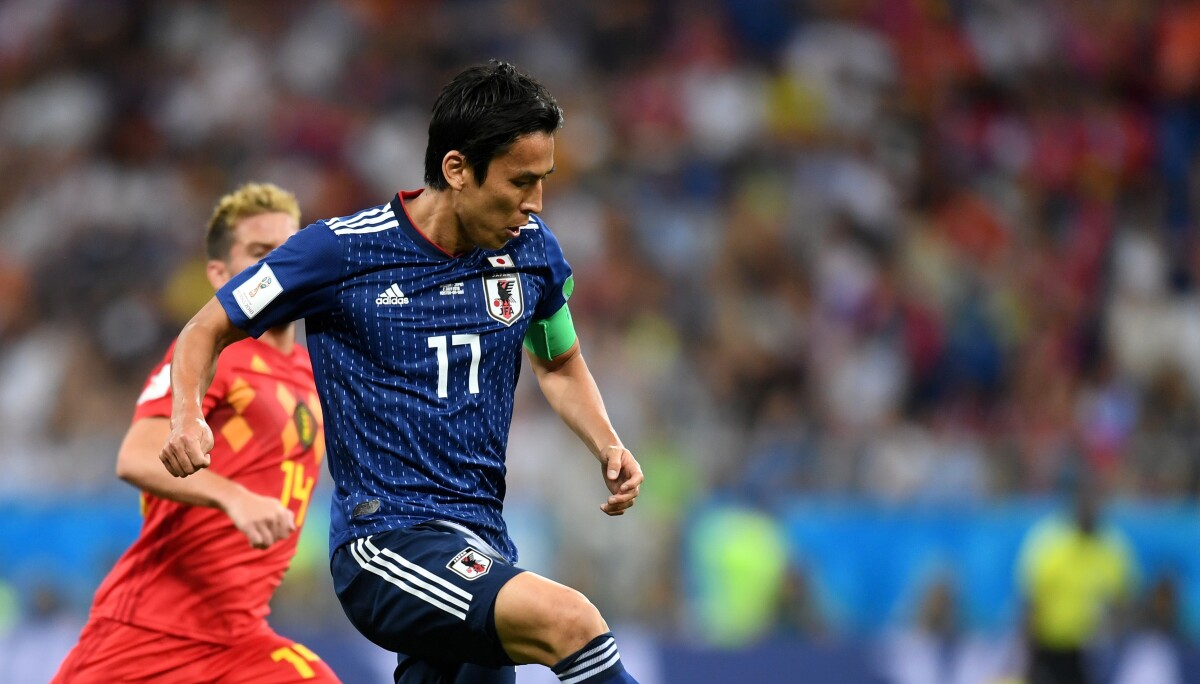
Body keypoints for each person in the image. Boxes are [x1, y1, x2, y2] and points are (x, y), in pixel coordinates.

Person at [160, 61, 644, 684]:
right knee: (571, 622)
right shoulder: (340, 252)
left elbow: (559, 361)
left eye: (543, 181)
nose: (535, 203)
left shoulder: (531, 253)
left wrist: (607, 442)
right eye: (521, 181)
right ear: (457, 169)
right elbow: (206, 329)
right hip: (385, 541)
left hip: (480, 544)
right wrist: (187, 414)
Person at [53, 183, 340, 683]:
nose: (277, 270)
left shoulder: (309, 370)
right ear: (219, 274)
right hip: (146, 634)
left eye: (288, 253)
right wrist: (234, 498)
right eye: (258, 254)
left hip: (238, 637)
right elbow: (136, 454)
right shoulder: (214, 355)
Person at [1016, 483, 1137, 684]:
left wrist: (1112, 625)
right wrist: (1031, 654)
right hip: (1052, 647)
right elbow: (1030, 602)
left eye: (1094, 503)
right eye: (1084, 504)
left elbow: (1126, 602)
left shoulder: (1114, 548)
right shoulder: (1049, 543)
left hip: (1095, 651)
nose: (1089, 510)